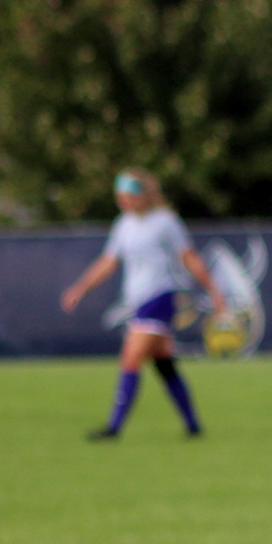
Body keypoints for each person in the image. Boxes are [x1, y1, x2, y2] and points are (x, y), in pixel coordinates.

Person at [60, 170, 226, 441]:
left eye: (130, 196)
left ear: (145, 195)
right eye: (121, 197)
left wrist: (214, 292)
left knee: (131, 357)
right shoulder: (124, 224)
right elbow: (109, 261)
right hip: (138, 303)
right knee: (163, 363)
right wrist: (80, 288)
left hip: (159, 299)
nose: (125, 201)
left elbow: (189, 257)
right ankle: (193, 425)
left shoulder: (165, 222)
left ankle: (113, 427)